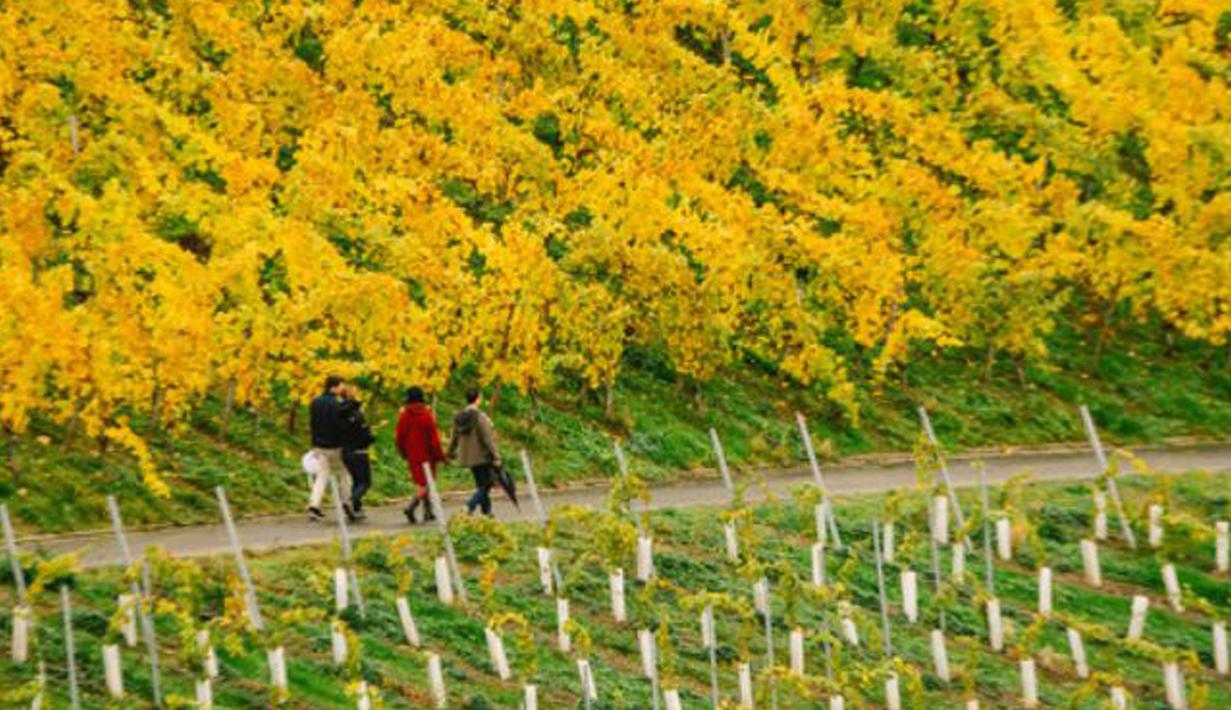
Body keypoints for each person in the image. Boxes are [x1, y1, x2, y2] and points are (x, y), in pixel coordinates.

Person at [394, 386, 445, 524]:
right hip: (428, 456)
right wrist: (441, 456)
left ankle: (428, 511)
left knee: (422, 482)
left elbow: (399, 437)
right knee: (427, 484)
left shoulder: (404, 416)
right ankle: (411, 507)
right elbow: (434, 440)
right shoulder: (426, 416)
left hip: (413, 455)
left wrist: (404, 452)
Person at [448, 387, 501, 517]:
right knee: (486, 485)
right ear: (478, 399)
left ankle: (486, 513)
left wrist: (450, 452)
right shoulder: (480, 416)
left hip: (468, 457)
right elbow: (487, 438)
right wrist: (496, 455)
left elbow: (454, 437)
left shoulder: (459, 417)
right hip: (482, 456)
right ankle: (469, 507)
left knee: (481, 485)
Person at [307, 375, 351, 521]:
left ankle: (314, 505)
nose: (342, 388)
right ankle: (346, 501)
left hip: (319, 445)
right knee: (345, 473)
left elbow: (312, 423)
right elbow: (339, 425)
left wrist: (314, 442)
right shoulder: (336, 404)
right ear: (333, 387)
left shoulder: (315, 402)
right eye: (340, 385)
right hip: (335, 446)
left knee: (322, 475)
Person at [338, 384, 375, 522]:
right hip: (359, 451)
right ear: (352, 396)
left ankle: (357, 508)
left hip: (345, 451)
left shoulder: (339, 414)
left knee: (356, 480)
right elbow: (363, 433)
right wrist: (371, 438)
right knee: (365, 482)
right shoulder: (357, 414)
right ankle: (351, 500)